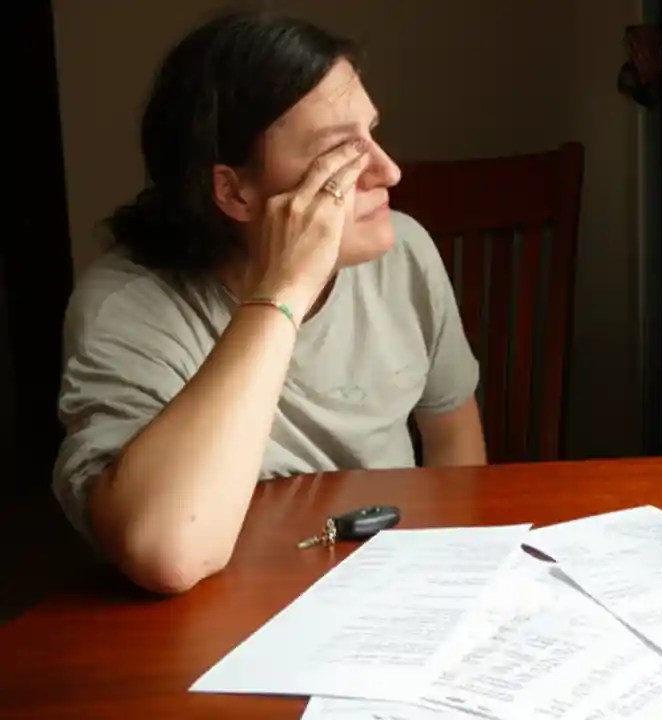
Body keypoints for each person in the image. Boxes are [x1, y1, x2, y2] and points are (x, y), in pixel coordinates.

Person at [53, 12, 486, 595]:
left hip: (391, 588)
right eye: (340, 154)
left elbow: (454, 438)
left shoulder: (405, 251)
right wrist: (283, 290)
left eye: (373, 133)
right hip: (220, 610)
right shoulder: (127, 309)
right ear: (233, 190)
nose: (388, 170)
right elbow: (167, 551)